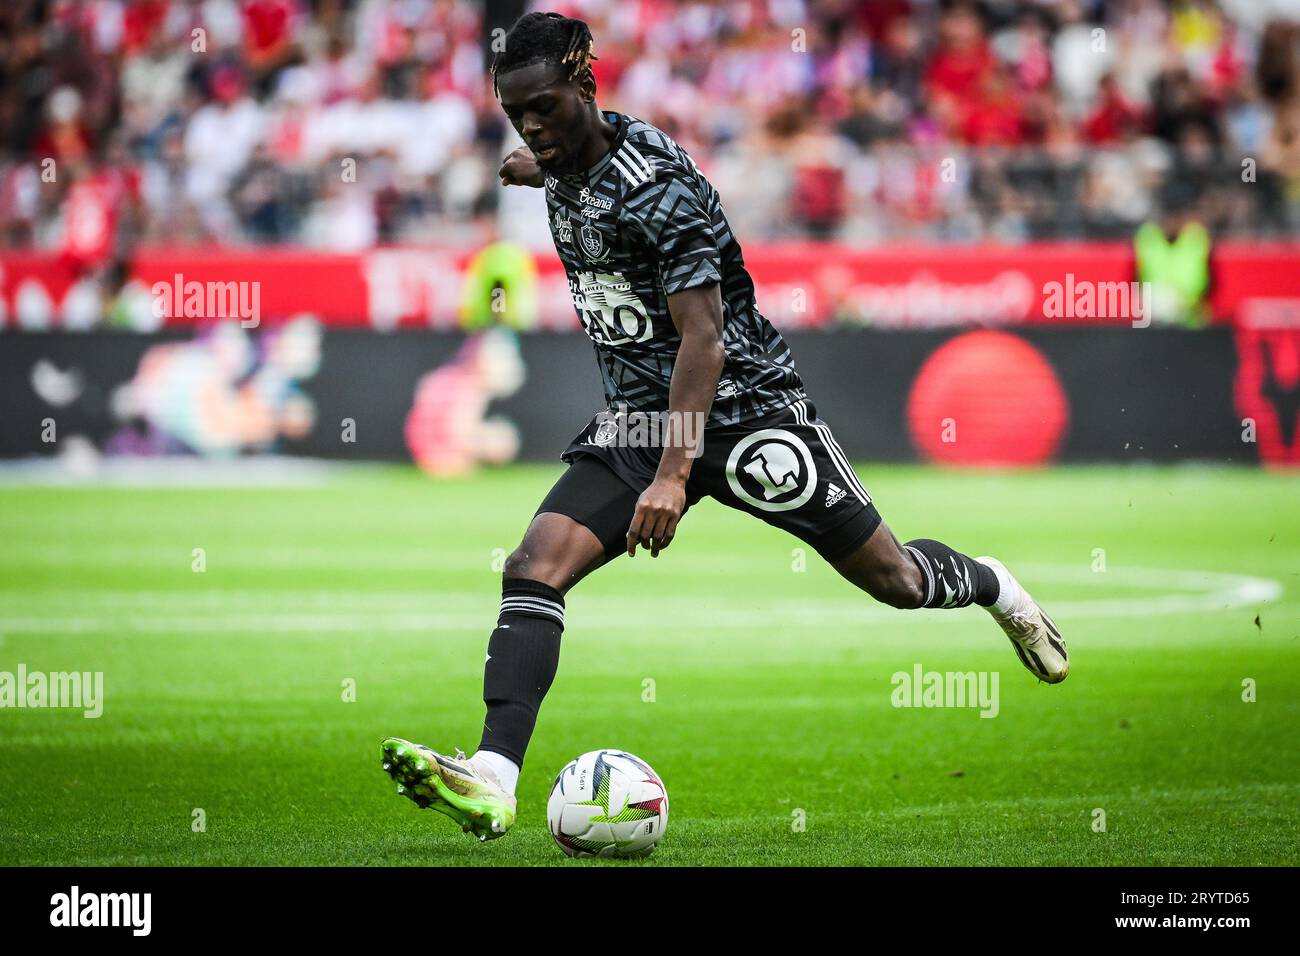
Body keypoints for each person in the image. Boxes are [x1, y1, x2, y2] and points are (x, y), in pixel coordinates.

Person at [380, 12, 1068, 843]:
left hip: (743, 414)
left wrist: (675, 475)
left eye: (545, 109)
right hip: (638, 420)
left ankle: (993, 585)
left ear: (585, 87)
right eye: (514, 112)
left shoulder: (657, 188)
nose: (530, 126)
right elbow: (558, 162)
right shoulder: (561, 157)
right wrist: (538, 165)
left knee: (897, 581)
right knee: (533, 566)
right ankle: (493, 777)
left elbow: (702, 339)